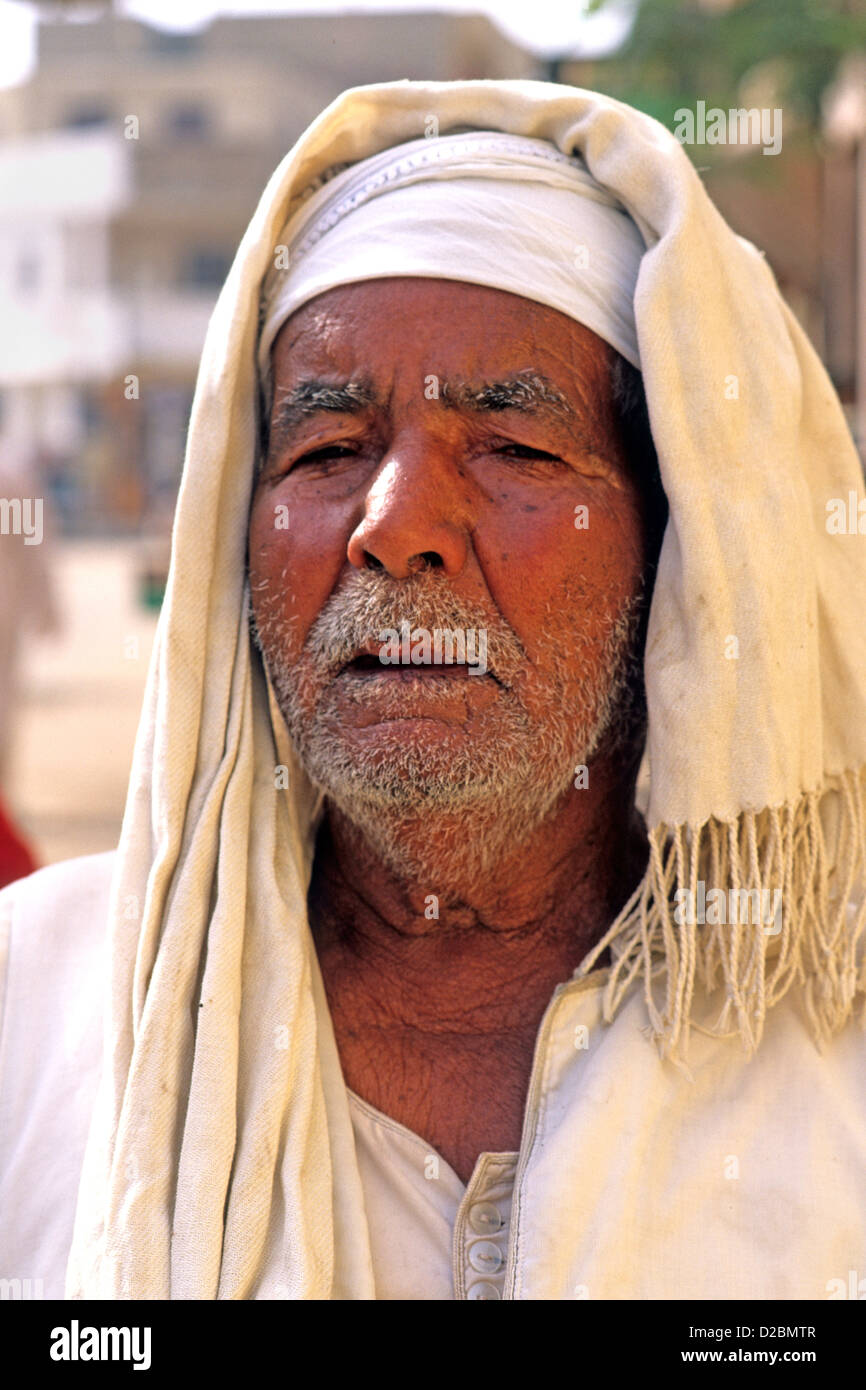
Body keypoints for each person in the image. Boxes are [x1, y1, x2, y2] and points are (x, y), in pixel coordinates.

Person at [0, 78, 864, 1302]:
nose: (391, 526)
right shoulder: (32, 1005)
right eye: (326, 450)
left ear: (680, 552)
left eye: (516, 447)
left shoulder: (833, 1041)